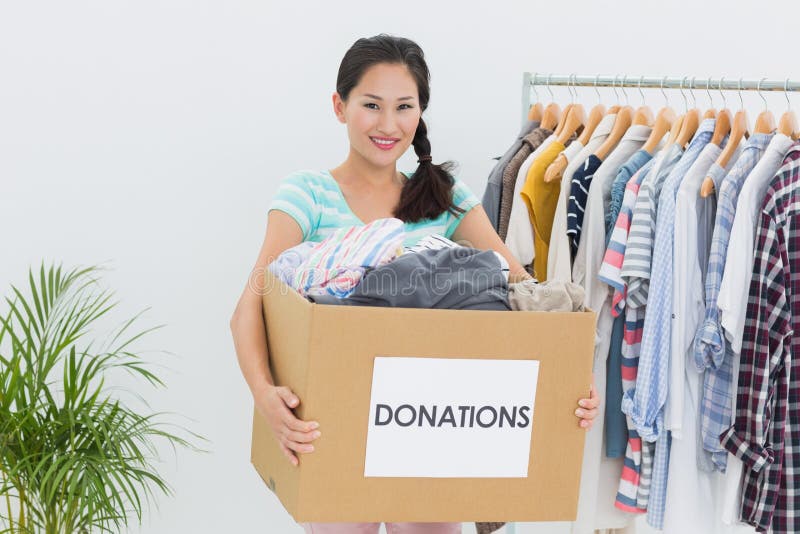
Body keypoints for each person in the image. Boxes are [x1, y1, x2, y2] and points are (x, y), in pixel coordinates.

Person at [230, 34, 600, 534]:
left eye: (404, 107)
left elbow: (526, 298)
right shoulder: (308, 194)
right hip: (335, 419)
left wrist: (570, 382)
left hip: (429, 420)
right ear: (340, 107)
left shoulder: (444, 196)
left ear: (420, 112)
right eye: (371, 105)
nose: (388, 125)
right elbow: (251, 306)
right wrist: (265, 395)